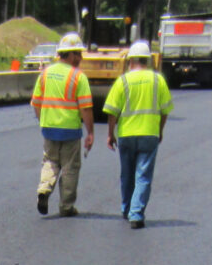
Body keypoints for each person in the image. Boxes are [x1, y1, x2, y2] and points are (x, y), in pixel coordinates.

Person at [103, 40, 173, 229]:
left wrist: (110, 134)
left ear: (130, 60)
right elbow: (165, 111)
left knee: (127, 174)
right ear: (148, 60)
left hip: (126, 135)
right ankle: (136, 213)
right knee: (143, 176)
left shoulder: (123, 81)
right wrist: (159, 131)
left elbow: (111, 112)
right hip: (149, 134)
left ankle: (126, 209)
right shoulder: (158, 80)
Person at [31, 33, 94, 217]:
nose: (81, 58)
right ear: (71, 54)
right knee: (69, 167)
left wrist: (43, 121)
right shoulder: (78, 77)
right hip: (70, 131)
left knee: (50, 161)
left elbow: (36, 102)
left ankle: (44, 189)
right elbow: (86, 109)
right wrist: (90, 132)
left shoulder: (45, 73)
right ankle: (66, 206)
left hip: (49, 128)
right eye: (79, 54)